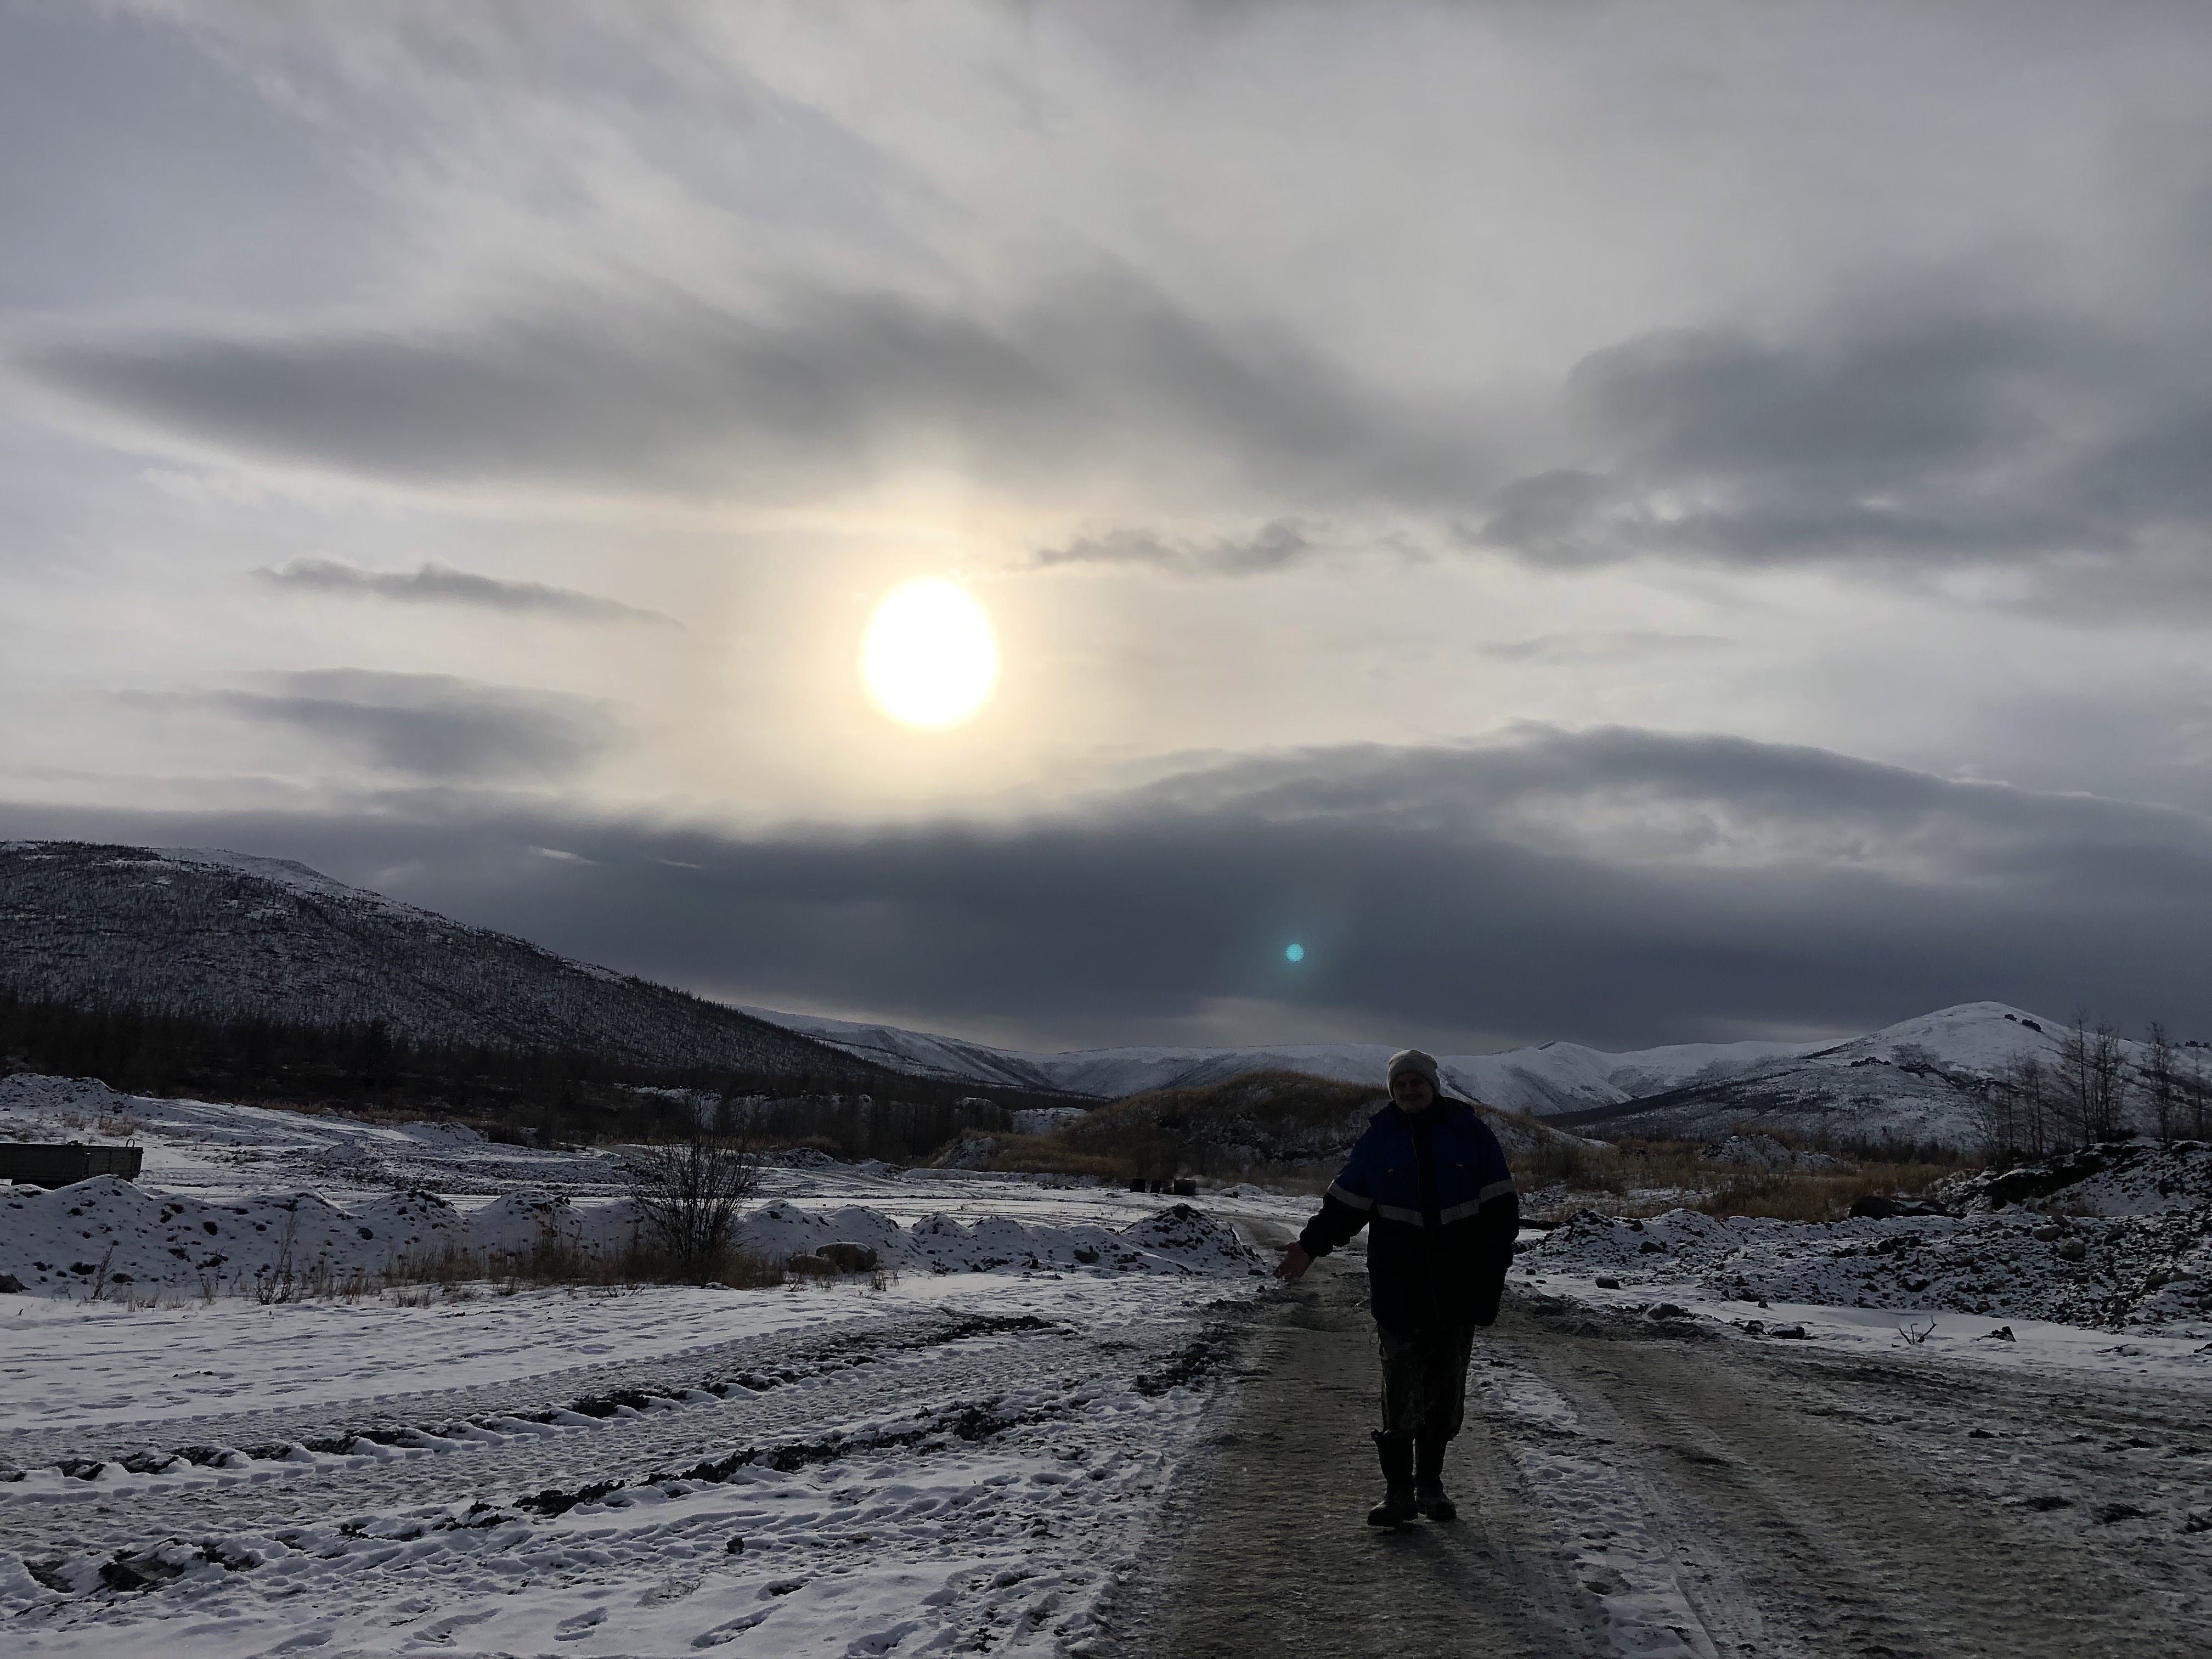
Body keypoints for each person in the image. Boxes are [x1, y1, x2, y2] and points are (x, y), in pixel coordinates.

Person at [1274, 1048, 1519, 1526]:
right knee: (1400, 1388)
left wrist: (1491, 1276)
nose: (1410, 1091)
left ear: (1434, 1087)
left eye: (1417, 1083)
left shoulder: (1471, 1135)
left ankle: (1431, 1487)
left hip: (1458, 1287)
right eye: (1401, 1085)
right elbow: (1344, 1208)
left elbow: (1501, 1215)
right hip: (1398, 1287)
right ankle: (1398, 1494)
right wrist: (1307, 1247)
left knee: (1445, 1393)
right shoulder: (1379, 1140)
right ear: (1393, 1092)